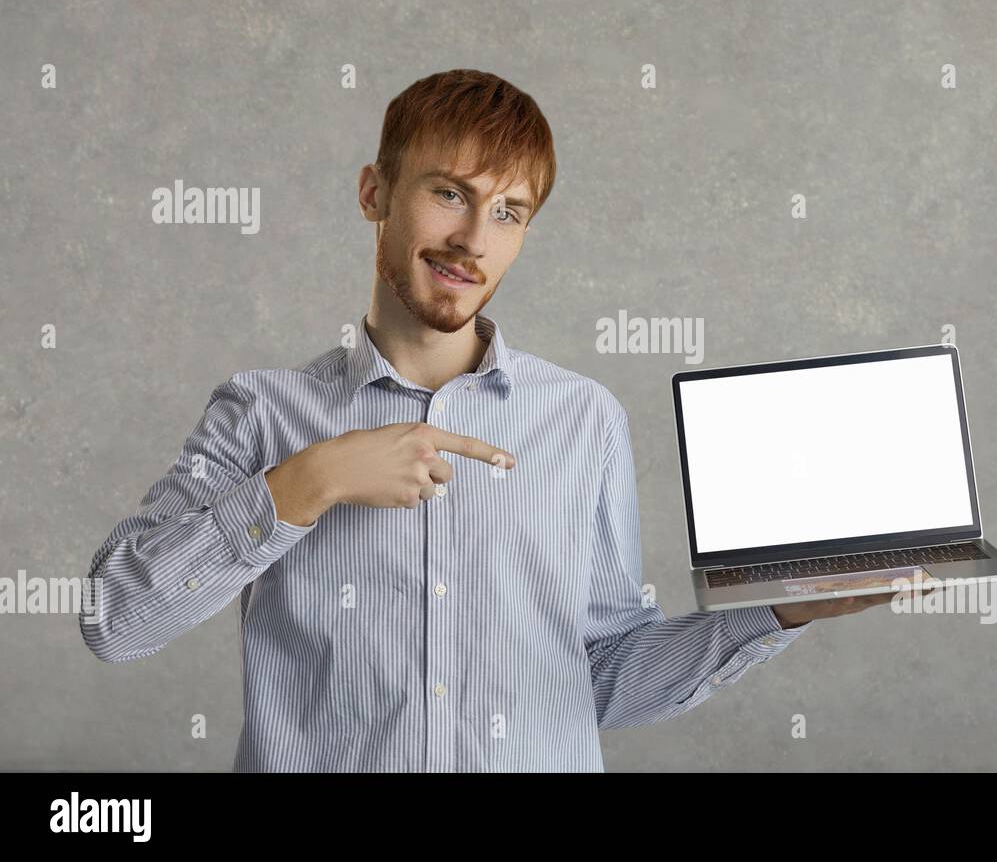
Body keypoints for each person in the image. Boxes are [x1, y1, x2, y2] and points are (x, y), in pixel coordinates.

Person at [80, 68, 889, 772]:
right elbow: (116, 620)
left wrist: (784, 609)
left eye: (508, 211)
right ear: (375, 193)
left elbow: (599, 676)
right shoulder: (261, 410)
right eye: (449, 194)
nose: (472, 239)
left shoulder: (581, 421)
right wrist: (309, 481)